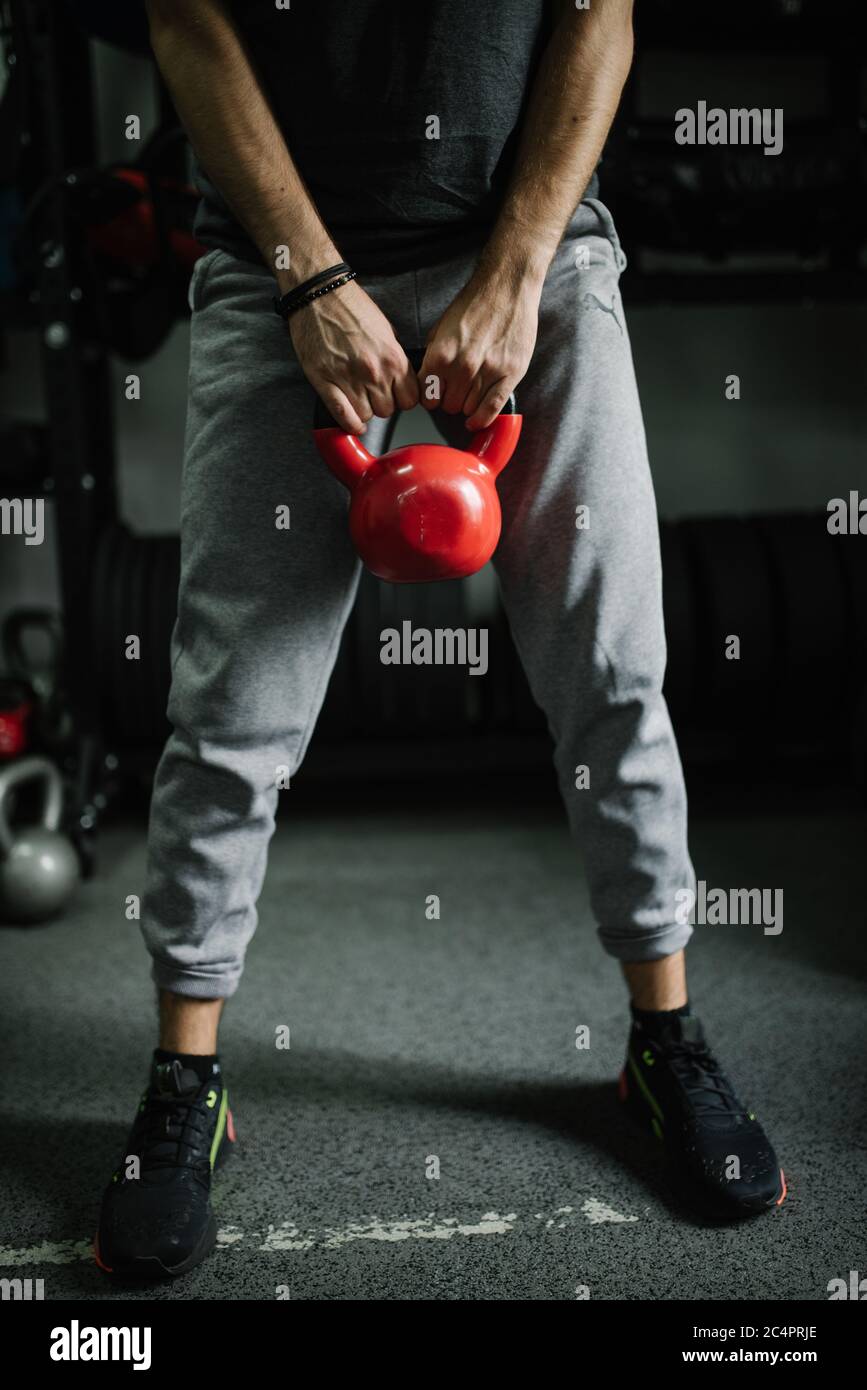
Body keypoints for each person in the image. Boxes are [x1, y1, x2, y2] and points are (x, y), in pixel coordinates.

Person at [95, 0, 784, 1280]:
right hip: (279, 266)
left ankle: (664, 1043)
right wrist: (312, 278)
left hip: (531, 250)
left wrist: (518, 273)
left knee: (617, 675)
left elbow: (603, 11)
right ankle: (185, 1079)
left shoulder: (532, 264)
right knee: (230, 715)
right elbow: (188, 18)